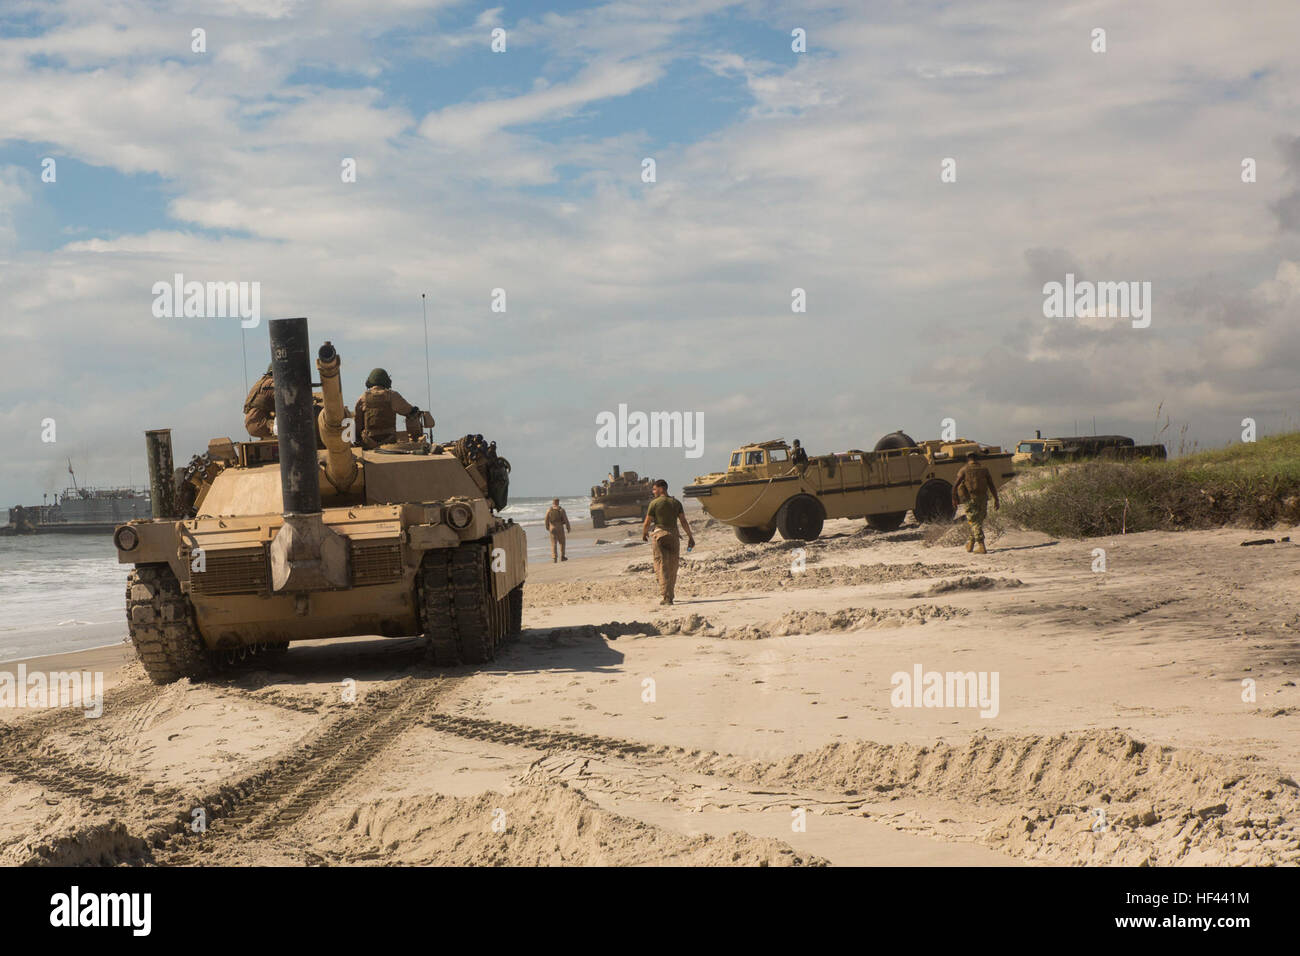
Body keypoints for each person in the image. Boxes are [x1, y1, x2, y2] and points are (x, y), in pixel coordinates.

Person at [641, 479, 694, 605]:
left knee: (661, 566)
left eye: (654, 489)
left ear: (662, 488)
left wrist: (644, 533)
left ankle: (666, 597)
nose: (653, 492)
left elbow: (647, 522)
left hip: (659, 536)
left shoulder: (654, 503)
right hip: (674, 536)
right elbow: (683, 522)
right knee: (673, 566)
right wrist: (690, 537)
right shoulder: (676, 503)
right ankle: (670, 594)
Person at [353, 368, 428, 449]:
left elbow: (357, 423)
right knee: (413, 414)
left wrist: (358, 440)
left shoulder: (363, 398)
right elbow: (410, 412)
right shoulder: (392, 396)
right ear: (387, 381)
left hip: (369, 443)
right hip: (389, 443)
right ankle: (416, 442)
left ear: (369, 382)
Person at [952, 451, 999, 554]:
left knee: (974, 522)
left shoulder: (963, 470)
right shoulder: (984, 469)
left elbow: (955, 485)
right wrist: (996, 499)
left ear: (968, 459)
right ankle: (971, 544)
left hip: (970, 499)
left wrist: (954, 498)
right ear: (977, 458)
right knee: (977, 522)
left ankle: (981, 545)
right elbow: (991, 485)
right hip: (983, 498)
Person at [243, 363, 276, 439]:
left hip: (254, 424)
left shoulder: (262, 383)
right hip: (261, 424)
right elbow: (287, 399)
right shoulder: (270, 384)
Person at [544, 498, 571, 562]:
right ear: (558, 502)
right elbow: (566, 520)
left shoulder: (549, 510)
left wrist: (547, 527)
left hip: (552, 527)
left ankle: (554, 558)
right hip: (559, 527)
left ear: (553, 502)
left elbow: (546, 520)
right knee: (562, 542)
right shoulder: (561, 510)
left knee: (553, 543)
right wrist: (568, 527)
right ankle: (562, 556)